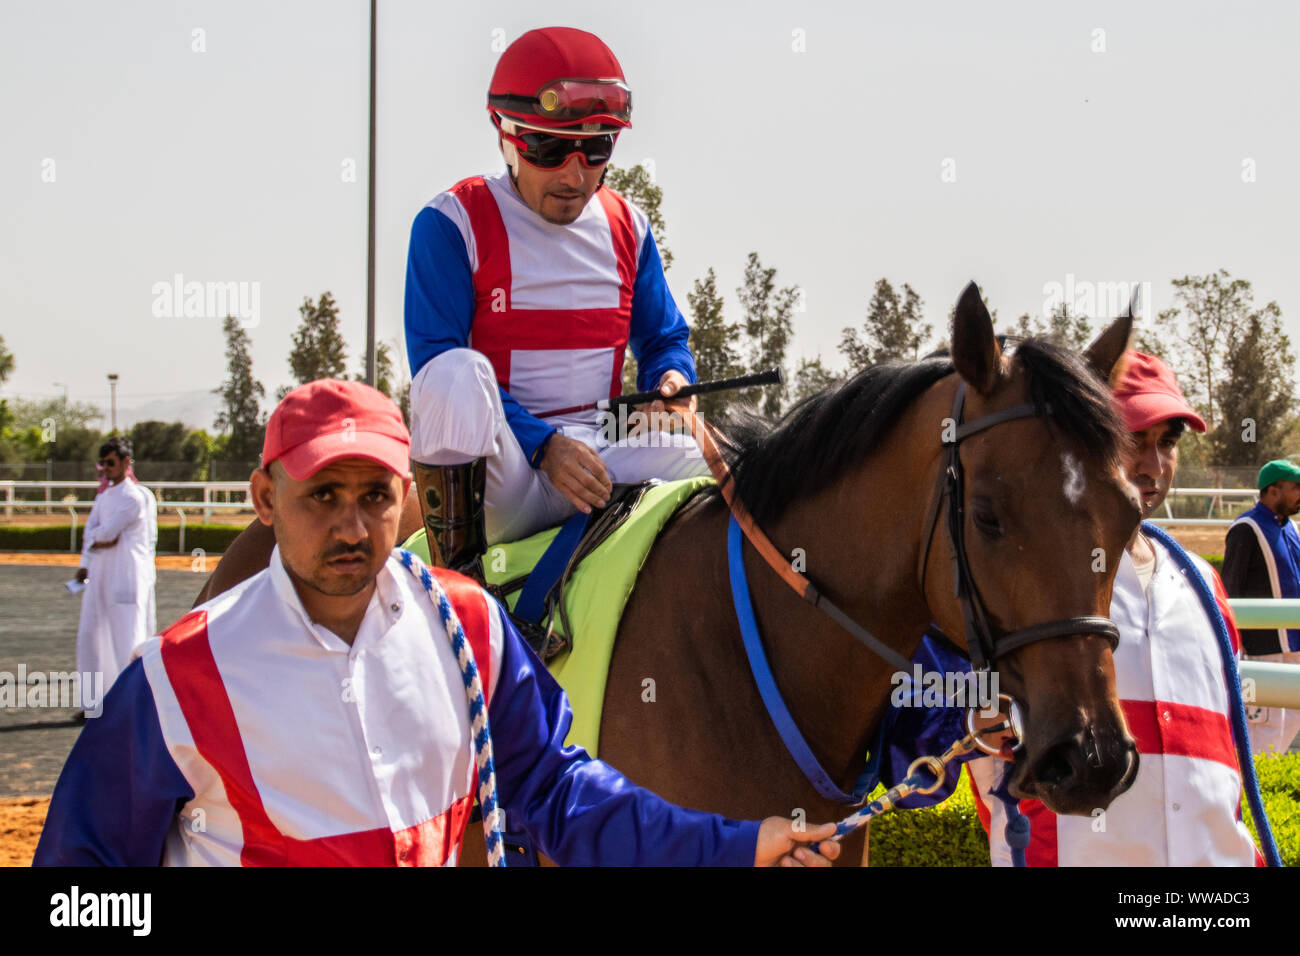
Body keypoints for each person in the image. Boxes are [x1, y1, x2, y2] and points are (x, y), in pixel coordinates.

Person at [35, 380, 840, 867]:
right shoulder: (175, 678)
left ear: (408, 497)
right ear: (263, 499)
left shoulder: (471, 630)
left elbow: (561, 796)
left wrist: (733, 847)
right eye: (322, 495)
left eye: (376, 496)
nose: (352, 528)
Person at [404, 26, 710, 576]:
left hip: (601, 450)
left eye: (596, 150)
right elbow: (435, 365)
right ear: (506, 134)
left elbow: (665, 339)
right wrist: (544, 446)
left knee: (730, 464)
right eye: (550, 149)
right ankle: (461, 581)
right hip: (504, 475)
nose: (574, 174)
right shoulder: (450, 224)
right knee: (455, 371)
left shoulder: (629, 227)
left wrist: (669, 382)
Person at [969, 351, 1263, 866]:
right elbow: (935, 721)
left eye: (1167, 442)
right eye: (1134, 440)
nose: (1153, 465)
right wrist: (973, 711)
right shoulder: (1017, 575)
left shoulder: (1204, 583)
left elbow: (1227, 769)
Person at [1222, 458, 1300, 755]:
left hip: (1293, 645)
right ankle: (1255, 789)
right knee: (1263, 730)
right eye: (1295, 487)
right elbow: (1229, 589)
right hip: (1261, 650)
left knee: (1290, 720)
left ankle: (1269, 781)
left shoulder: (1290, 527)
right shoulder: (1246, 528)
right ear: (1272, 490)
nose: (1299, 494)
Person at [73, 437, 156, 715]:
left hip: (126, 578)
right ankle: (93, 704)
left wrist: (99, 537)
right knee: (91, 636)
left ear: (126, 462)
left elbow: (106, 533)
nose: (106, 469)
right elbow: (93, 533)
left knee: (127, 642)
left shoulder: (134, 497)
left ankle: (131, 707)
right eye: (103, 464)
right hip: (99, 577)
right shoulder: (104, 496)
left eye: (111, 463)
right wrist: (94, 547)